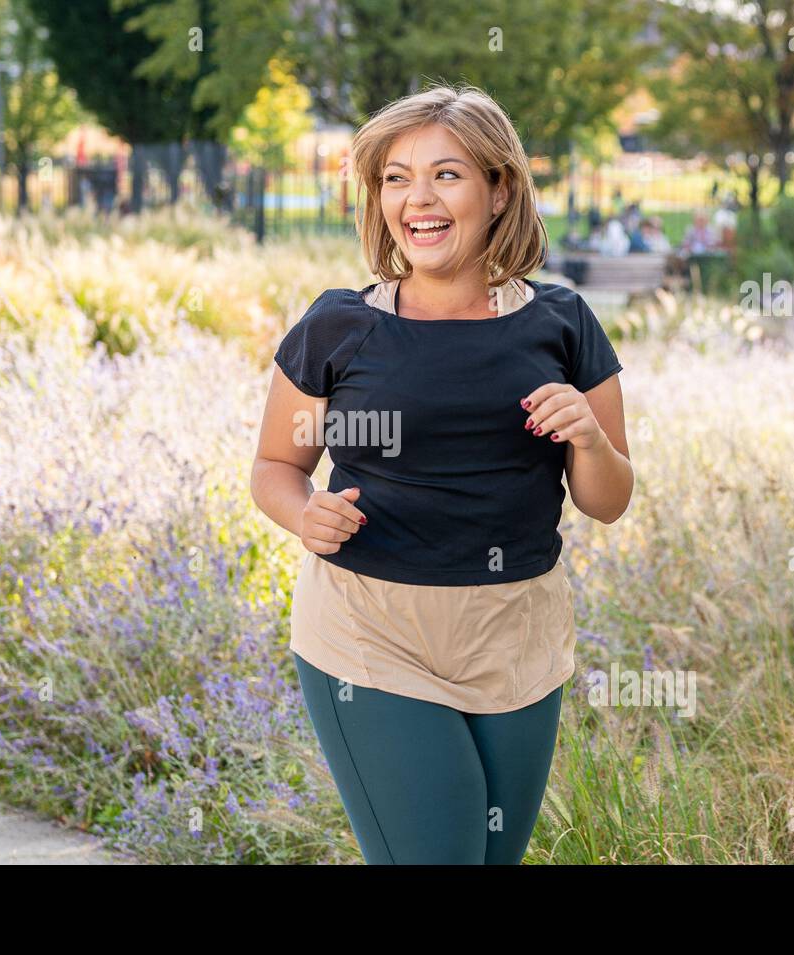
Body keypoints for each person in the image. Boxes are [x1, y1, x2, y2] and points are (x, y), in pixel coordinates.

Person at [251, 84, 632, 865]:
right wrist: (304, 512)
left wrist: (589, 441)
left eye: (446, 175)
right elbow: (274, 466)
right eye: (395, 177)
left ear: (500, 190)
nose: (416, 199)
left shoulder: (562, 324)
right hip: (371, 631)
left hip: (516, 635)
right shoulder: (338, 325)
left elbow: (608, 501)